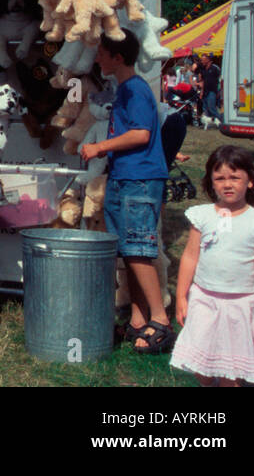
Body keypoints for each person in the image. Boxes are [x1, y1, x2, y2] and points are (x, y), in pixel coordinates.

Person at [80, 30, 173, 354]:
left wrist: (99, 147)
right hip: (124, 177)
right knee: (129, 252)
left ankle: (161, 321)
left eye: (102, 53)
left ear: (117, 58)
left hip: (139, 179)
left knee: (138, 250)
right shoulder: (125, 89)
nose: (97, 58)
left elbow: (141, 134)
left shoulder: (135, 90)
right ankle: (138, 319)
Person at [171, 145, 254, 385]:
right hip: (204, 300)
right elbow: (189, 256)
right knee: (201, 365)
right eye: (220, 178)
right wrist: (181, 296)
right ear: (211, 183)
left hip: (241, 304)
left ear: (250, 181)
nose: (227, 184)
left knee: (231, 371)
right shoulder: (202, 215)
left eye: (235, 177)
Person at [199, 52, 222, 121]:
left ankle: (221, 121)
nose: (202, 61)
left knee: (212, 108)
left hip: (212, 91)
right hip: (205, 92)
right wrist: (201, 92)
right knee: (206, 109)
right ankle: (208, 124)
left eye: (203, 60)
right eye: (201, 60)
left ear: (208, 60)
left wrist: (219, 91)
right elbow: (202, 81)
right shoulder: (203, 69)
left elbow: (221, 80)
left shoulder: (215, 68)